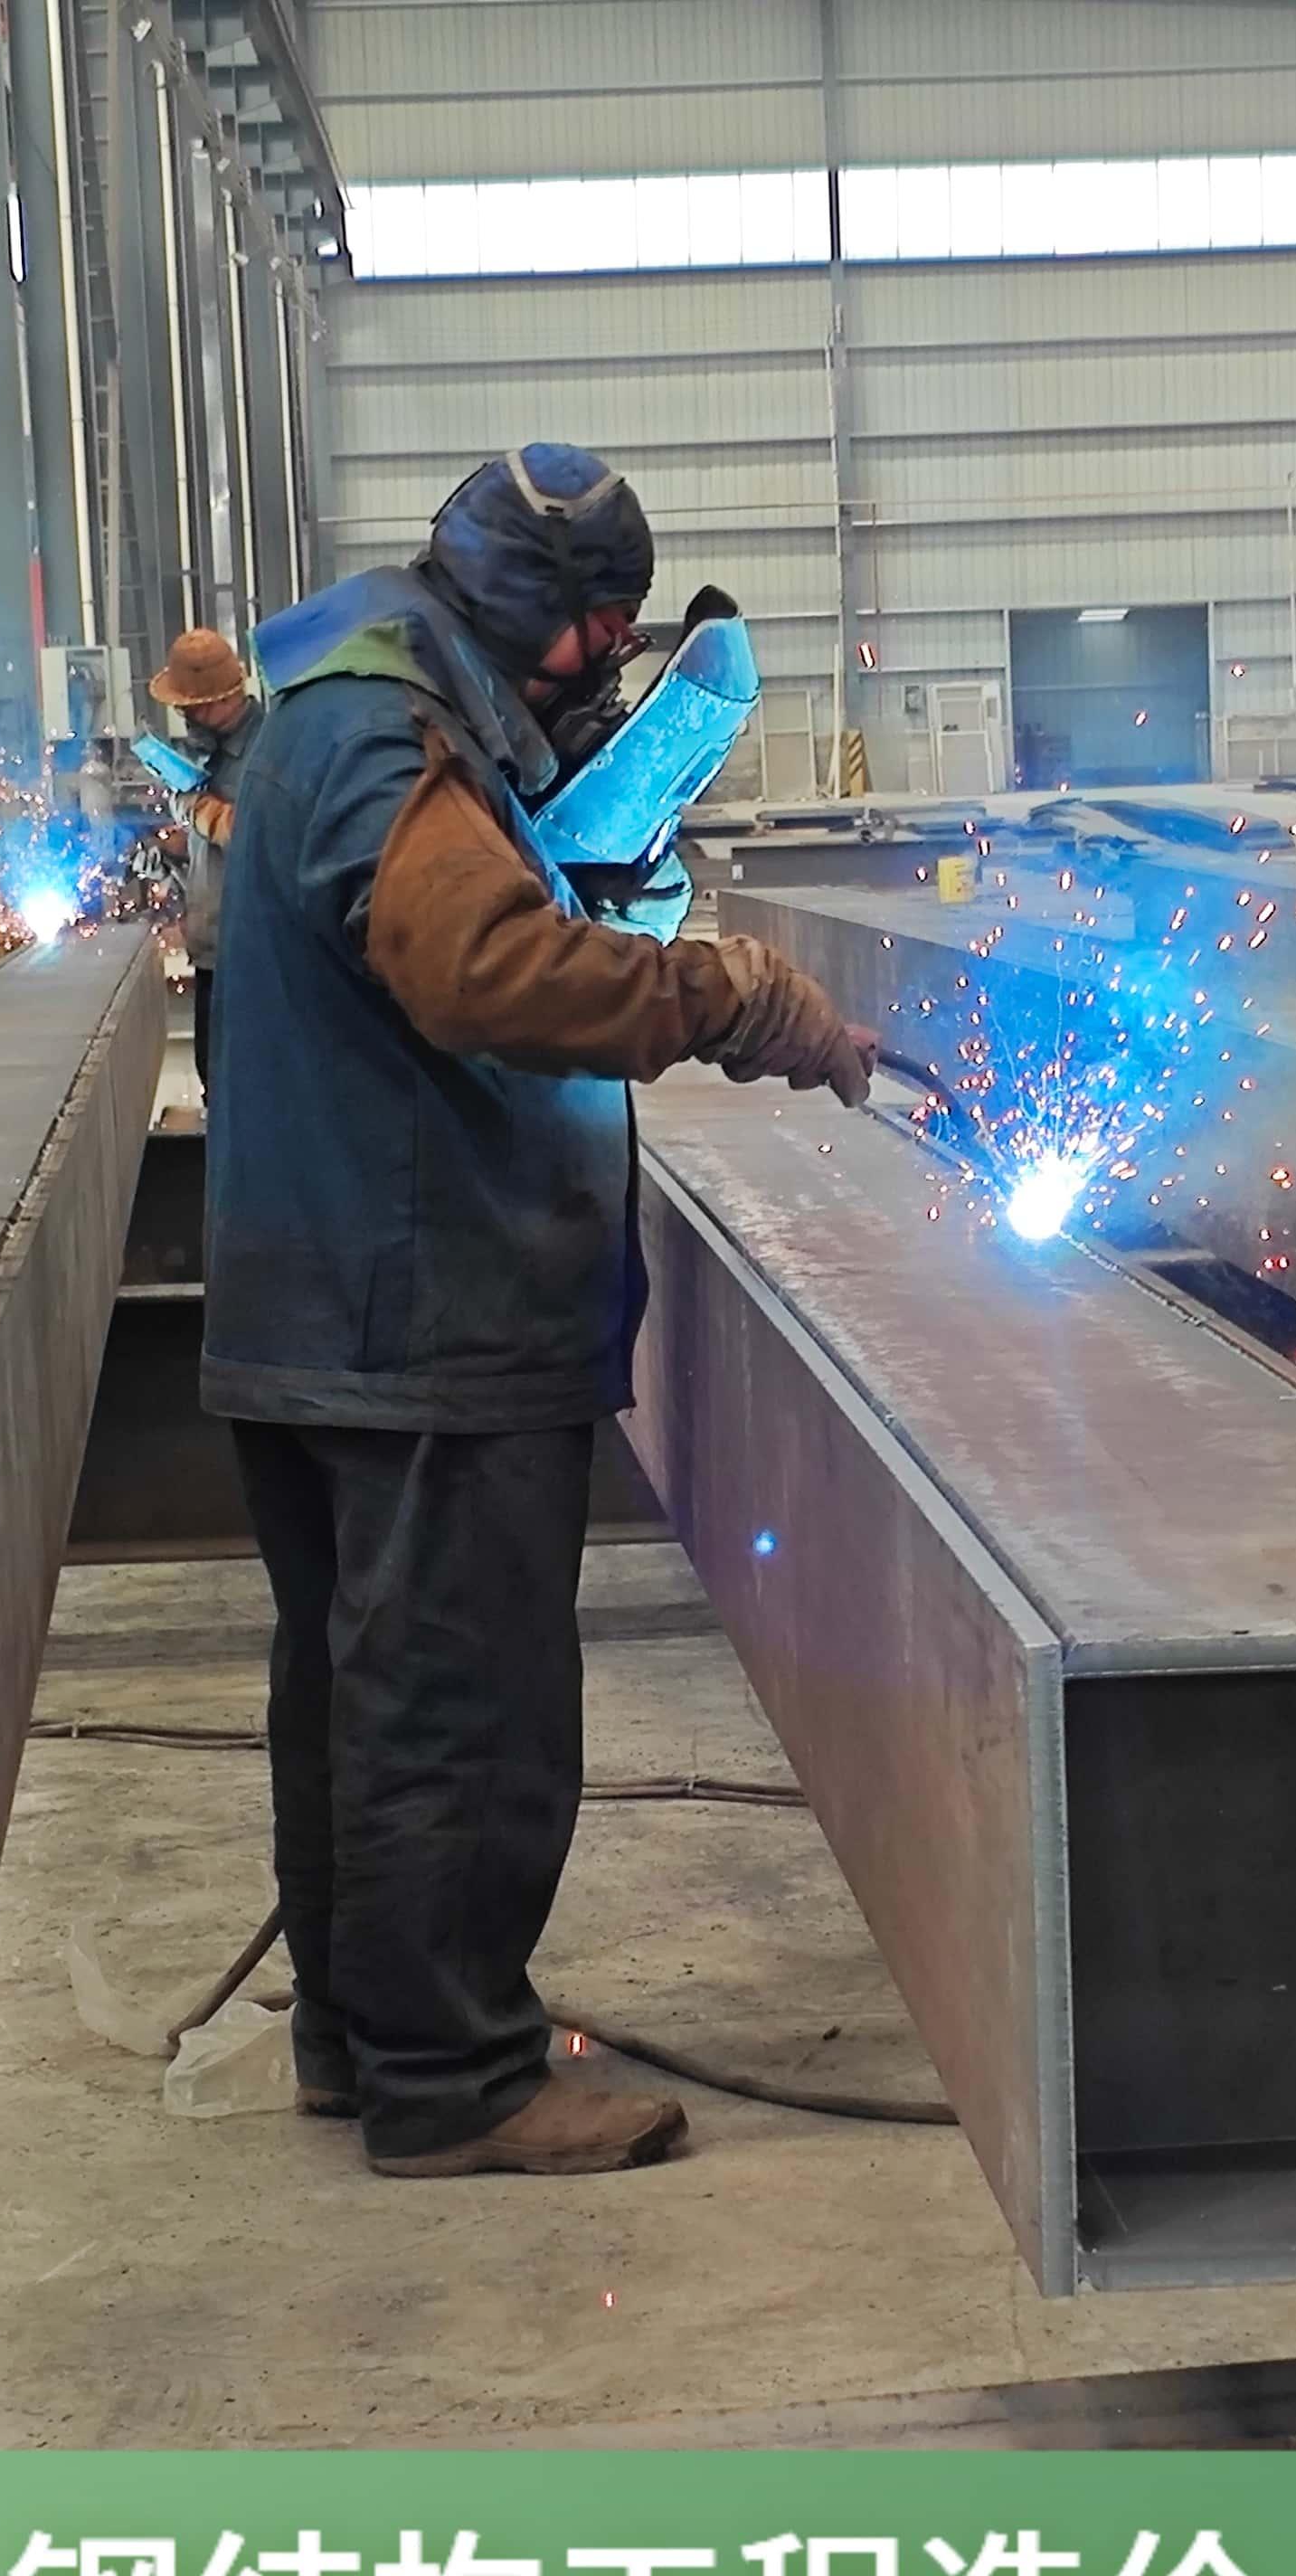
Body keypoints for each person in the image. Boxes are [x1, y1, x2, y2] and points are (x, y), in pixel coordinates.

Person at [204, 442, 875, 2181]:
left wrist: (586, 893)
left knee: (359, 1696)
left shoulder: (374, 704)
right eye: (603, 628)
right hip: (423, 1312)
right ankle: (455, 2080)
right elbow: (474, 967)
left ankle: (365, 2039)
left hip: (345, 1296)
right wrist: (715, 993)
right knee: (455, 1709)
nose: (608, 661)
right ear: (543, 613)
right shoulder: (386, 733)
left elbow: (451, 920)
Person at [150, 627, 261, 1090]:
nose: (184, 716)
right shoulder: (210, 754)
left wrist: (196, 809)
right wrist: (177, 850)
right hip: (215, 951)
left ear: (217, 701)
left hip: (255, 955)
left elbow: (260, 834)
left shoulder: (266, 750)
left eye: (189, 708)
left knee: (245, 1085)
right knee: (213, 1073)